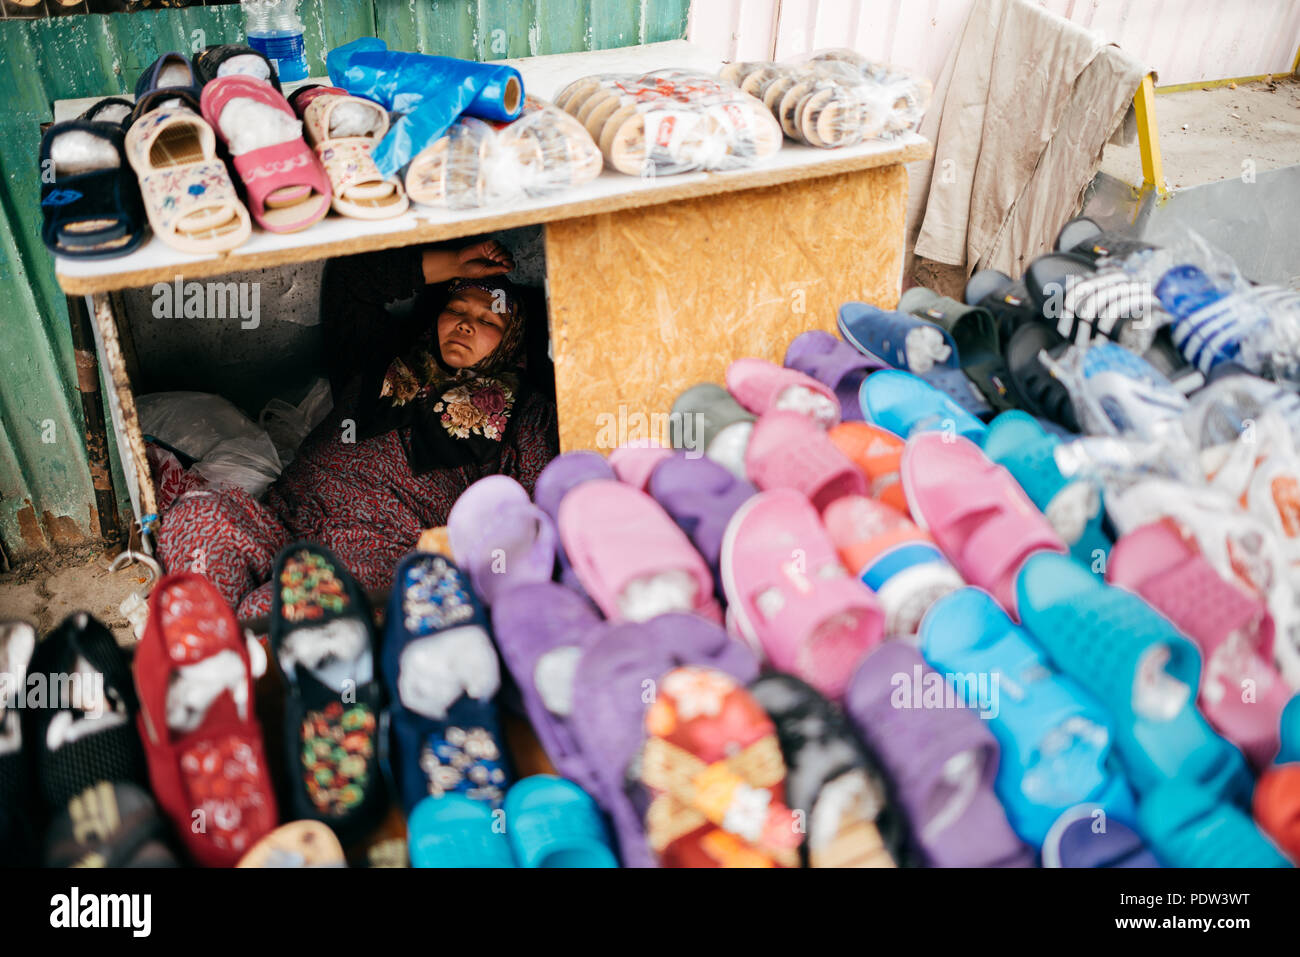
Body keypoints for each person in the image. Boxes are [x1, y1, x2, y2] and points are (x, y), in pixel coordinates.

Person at [155, 240, 559, 619]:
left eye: (489, 319)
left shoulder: (524, 411)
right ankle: (208, 656)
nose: (467, 324)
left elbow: (537, 514)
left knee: (270, 609)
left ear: (512, 342)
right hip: (289, 518)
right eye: (457, 308)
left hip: (380, 550)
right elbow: (351, 280)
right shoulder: (381, 357)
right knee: (199, 516)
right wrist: (455, 263)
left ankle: (253, 661)